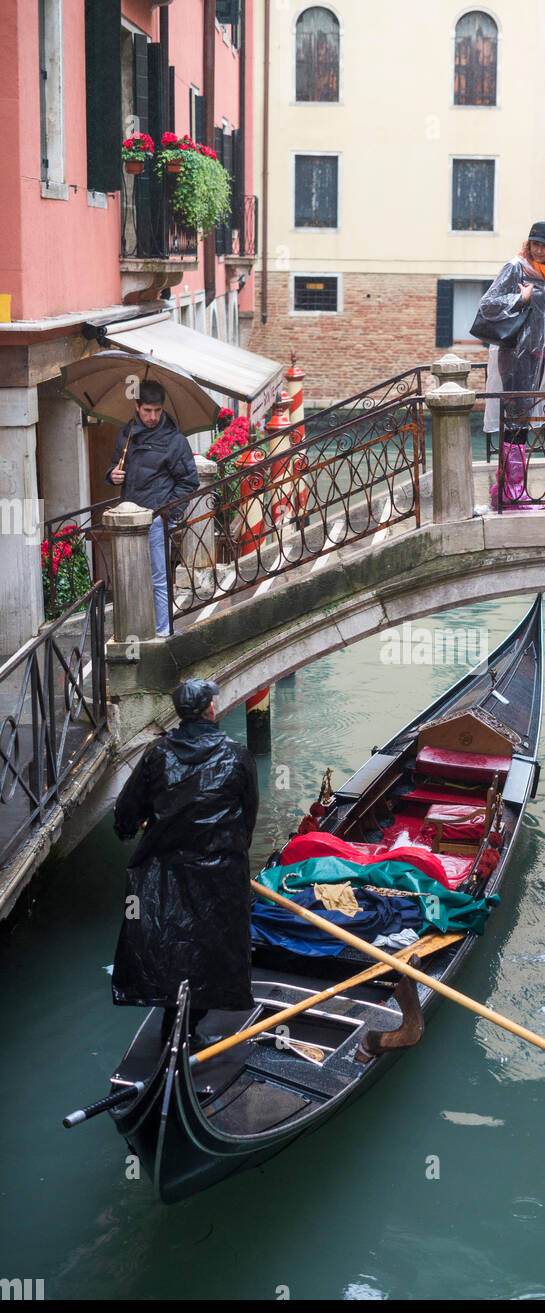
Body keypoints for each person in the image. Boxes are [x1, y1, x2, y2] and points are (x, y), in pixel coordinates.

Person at [111, 678, 260, 1048]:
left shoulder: (157, 755)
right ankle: (188, 1026)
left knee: (170, 940)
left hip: (167, 873)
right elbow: (247, 820)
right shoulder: (238, 754)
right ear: (210, 709)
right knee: (213, 946)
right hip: (220, 871)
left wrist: (146, 821)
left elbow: (125, 819)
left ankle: (175, 1023)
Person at [107, 380, 200, 636]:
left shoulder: (174, 440)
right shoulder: (125, 435)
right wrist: (112, 474)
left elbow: (189, 482)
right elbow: (116, 466)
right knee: (132, 579)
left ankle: (162, 632)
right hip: (130, 520)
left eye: (157, 411)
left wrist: (168, 512)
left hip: (157, 518)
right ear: (137, 406)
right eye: (147, 410)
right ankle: (135, 631)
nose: (152, 416)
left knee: (159, 578)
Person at [479, 221, 545, 507]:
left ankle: (508, 490)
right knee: (515, 421)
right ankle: (512, 493)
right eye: (535, 244)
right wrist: (520, 298)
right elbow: (488, 304)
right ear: (529, 243)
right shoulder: (516, 267)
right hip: (514, 355)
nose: (539, 250)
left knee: (521, 420)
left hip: (535, 356)